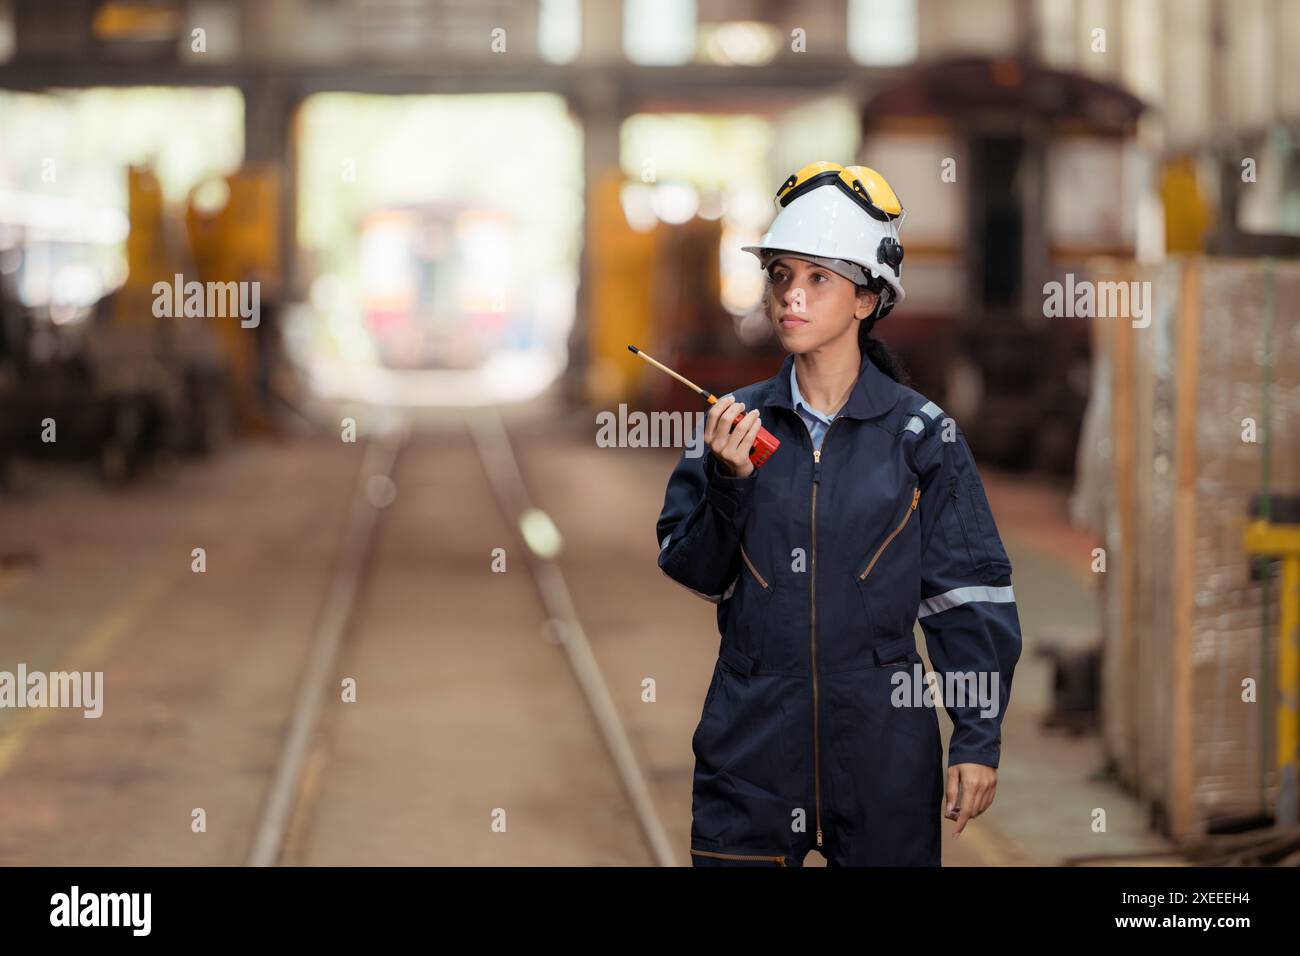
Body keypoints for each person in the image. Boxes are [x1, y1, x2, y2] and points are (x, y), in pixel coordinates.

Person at [655, 161, 1022, 866]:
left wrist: (977, 737)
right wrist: (729, 483)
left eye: (817, 279)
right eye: (782, 276)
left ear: (866, 300)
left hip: (882, 747)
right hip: (752, 742)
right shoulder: (737, 424)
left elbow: (968, 593)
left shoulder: (922, 438)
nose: (791, 296)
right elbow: (691, 565)